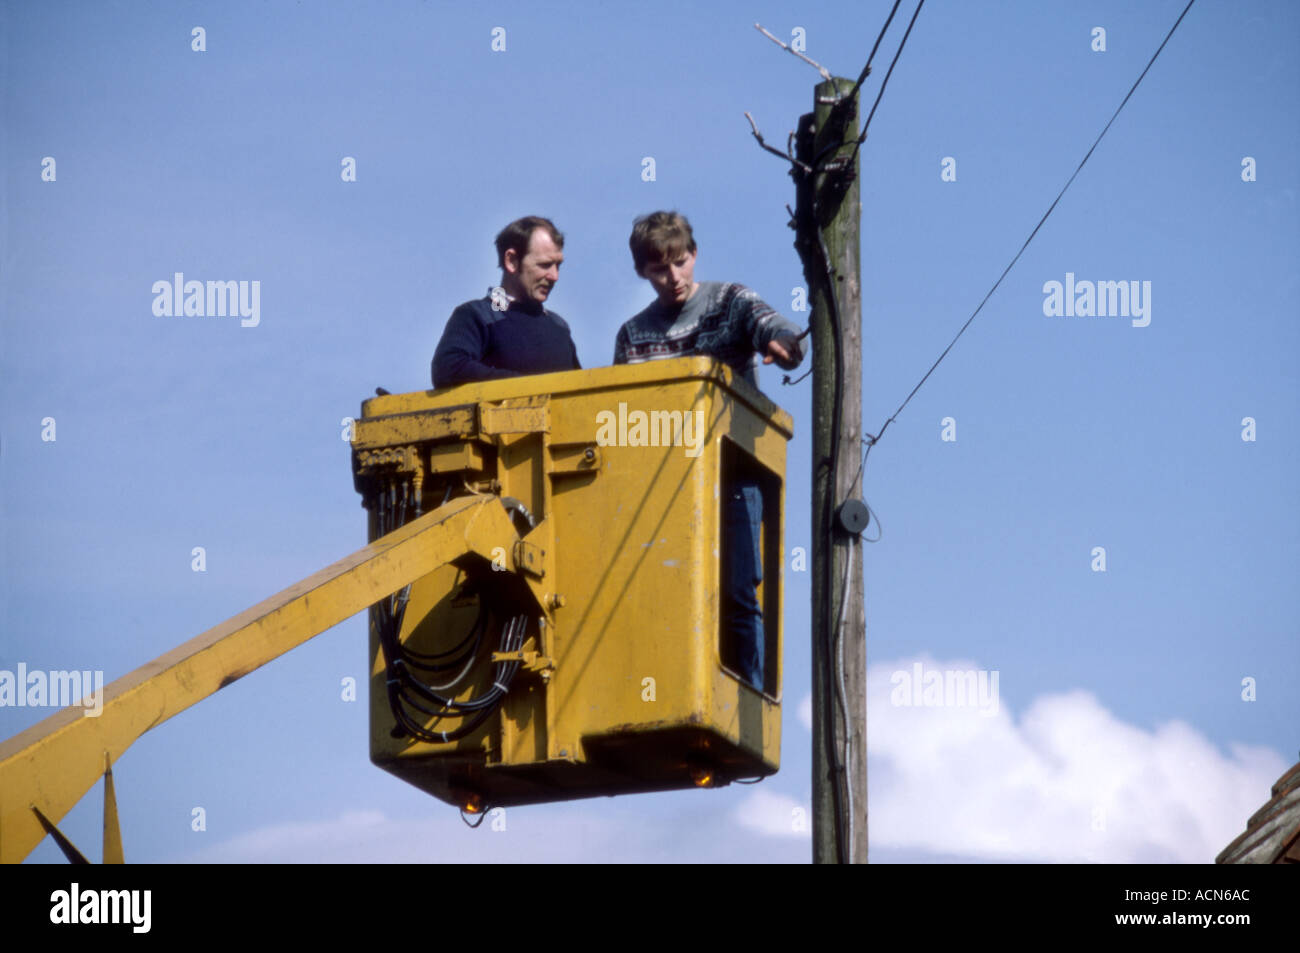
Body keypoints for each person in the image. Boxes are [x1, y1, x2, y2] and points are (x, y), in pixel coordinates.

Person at [613, 211, 805, 692]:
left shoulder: (729, 301)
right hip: (665, 485)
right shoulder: (633, 337)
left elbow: (769, 323)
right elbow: (622, 413)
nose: (673, 277)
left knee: (737, 591)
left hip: (733, 473)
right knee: (668, 590)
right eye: (660, 269)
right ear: (642, 272)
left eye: (679, 262)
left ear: (693, 255)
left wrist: (783, 343)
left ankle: (748, 697)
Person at [432, 216, 581, 388]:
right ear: (511, 261)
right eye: (545, 265)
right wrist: (526, 388)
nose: (554, 276)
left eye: (558, 265)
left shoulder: (559, 327)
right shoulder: (478, 315)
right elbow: (449, 367)